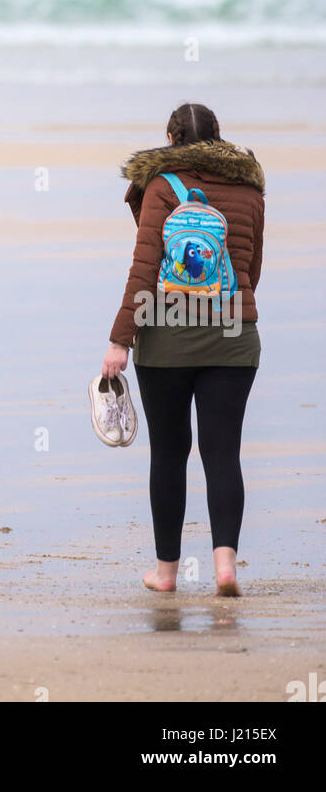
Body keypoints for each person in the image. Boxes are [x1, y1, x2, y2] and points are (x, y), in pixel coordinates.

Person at [102, 103, 264, 596]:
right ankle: (225, 567)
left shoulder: (159, 186)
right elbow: (251, 272)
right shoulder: (249, 188)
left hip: (166, 339)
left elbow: (144, 270)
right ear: (219, 137)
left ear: (170, 138)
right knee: (223, 453)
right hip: (235, 336)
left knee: (169, 455)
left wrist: (118, 340)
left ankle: (167, 574)